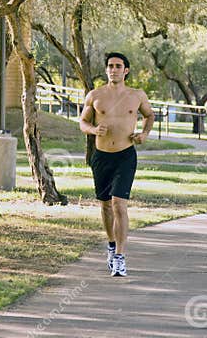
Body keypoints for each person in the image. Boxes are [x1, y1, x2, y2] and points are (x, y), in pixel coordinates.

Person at [79, 52, 155, 277]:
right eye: (110, 66)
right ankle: (112, 246)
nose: (114, 69)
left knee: (119, 204)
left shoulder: (136, 95)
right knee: (105, 206)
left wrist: (144, 134)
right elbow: (83, 122)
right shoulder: (95, 95)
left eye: (118, 66)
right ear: (106, 70)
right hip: (101, 156)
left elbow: (149, 116)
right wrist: (94, 130)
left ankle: (120, 257)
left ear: (126, 70)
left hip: (125, 156)